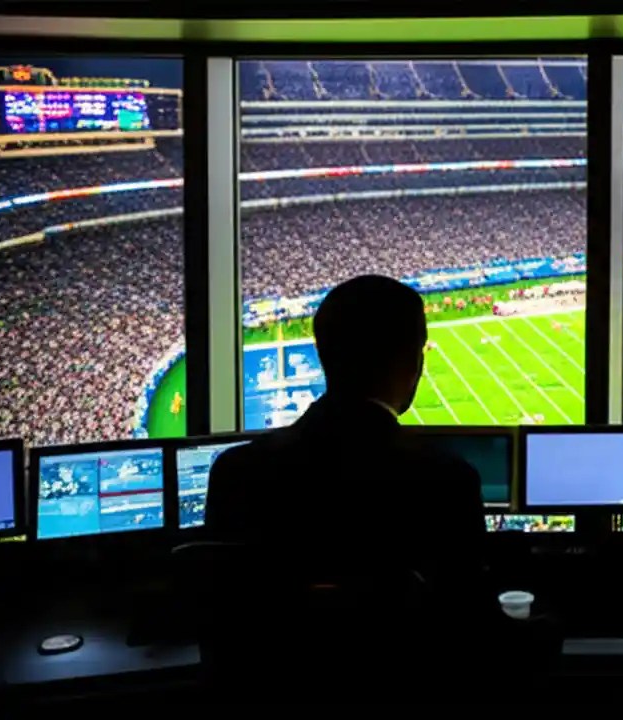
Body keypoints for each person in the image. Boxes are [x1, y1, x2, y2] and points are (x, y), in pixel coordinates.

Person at [205, 275, 488, 697]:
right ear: (413, 362)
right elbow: (467, 631)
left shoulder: (235, 471)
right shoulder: (446, 480)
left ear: (323, 356)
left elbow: (225, 623)